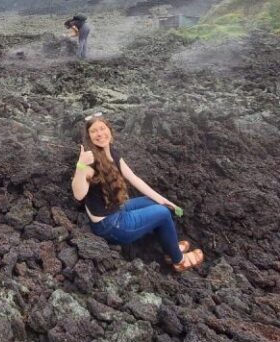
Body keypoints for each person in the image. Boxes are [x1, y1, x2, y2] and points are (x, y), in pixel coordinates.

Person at [71, 113, 204, 272]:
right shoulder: (89, 162)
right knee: (162, 213)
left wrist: (165, 201)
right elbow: (79, 194)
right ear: (89, 136)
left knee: (157, 204)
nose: (99, 134)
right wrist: (80, 166)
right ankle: (179, 260)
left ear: (110, 130)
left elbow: (135, 179)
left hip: (116, 210)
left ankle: (171, 248)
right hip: (110, 226)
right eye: (94, 131)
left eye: (102, 128)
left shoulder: (111, 153)